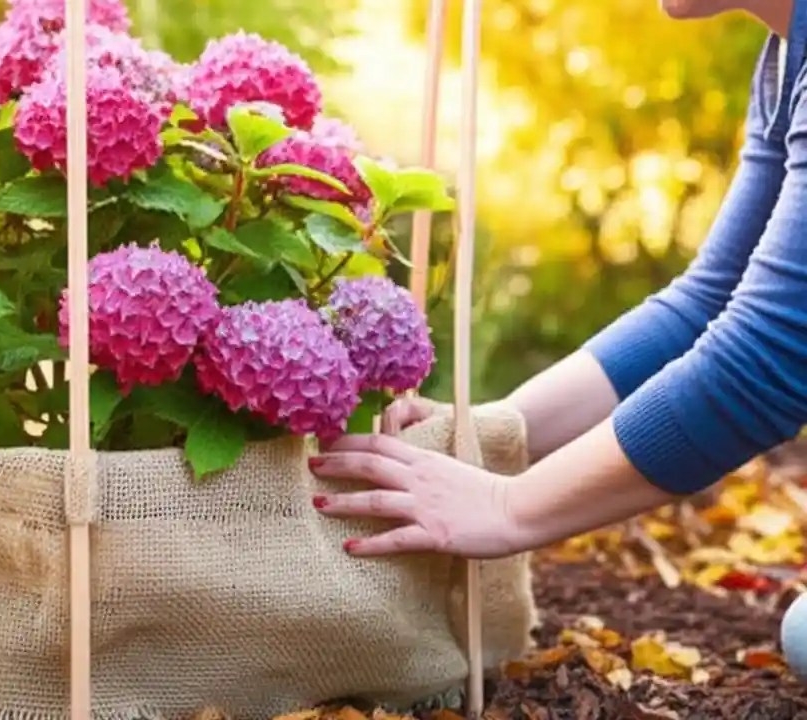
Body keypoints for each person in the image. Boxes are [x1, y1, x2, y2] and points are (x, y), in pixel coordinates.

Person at [307, 0, 807, 675]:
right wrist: (498, 432)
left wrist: (509, 507)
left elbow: (770, 353)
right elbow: (710, 301)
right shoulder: (786, 57)